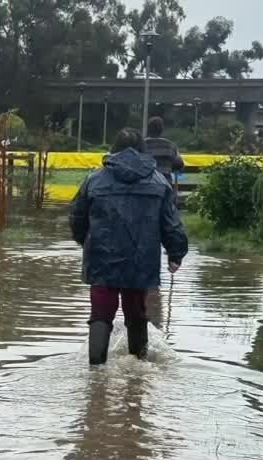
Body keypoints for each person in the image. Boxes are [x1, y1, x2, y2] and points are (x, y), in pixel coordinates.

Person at [69, 128, 189, 366]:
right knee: (137, 313)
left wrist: (87, 242)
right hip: (141, 261)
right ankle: (138, 370)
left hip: (102, 258)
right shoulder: (159, 182)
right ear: (144, 151)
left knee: (101, 313)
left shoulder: (95, 179)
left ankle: (96, 373)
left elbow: (77, 217)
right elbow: (171, 224)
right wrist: (176, 254)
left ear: (113, 149)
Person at [142, 116, 185, 187]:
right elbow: (179, 166)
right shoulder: (170, 146)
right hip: (165, 186)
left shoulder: (141, 145)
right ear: (162, 129)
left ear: (148, 129)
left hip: (145, 187)